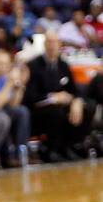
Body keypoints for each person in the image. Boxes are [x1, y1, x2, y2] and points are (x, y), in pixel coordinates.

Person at [23, 31, 94, 161]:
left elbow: (74, 90)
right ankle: (52, 149)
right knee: (57, 112)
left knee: (88, 107)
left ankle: (73, 145)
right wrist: (52, 97)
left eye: (55, 42)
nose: (52, 45)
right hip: (39, 108)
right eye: (49, 42)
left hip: (61, 106)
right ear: (45, 44)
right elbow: (29, 96)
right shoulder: (33, 65)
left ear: (60, 45)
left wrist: (76, 101)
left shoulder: (63, 65)